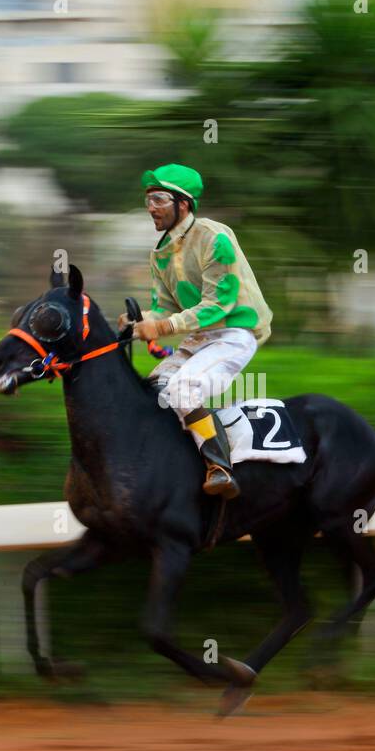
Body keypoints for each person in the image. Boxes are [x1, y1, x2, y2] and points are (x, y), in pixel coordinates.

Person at [121, 163, 273, 499]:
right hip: (200, 339)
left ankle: (220, 469)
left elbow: (219, 303)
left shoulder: (214, 237)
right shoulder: (159, 253)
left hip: (235, 334)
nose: (151, 207)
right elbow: (165, 308)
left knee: (184, 389)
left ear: (183, 203)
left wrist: (161, 327)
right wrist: (136, 323)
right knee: (154, 391)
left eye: (159, 199)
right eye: (148, 199)